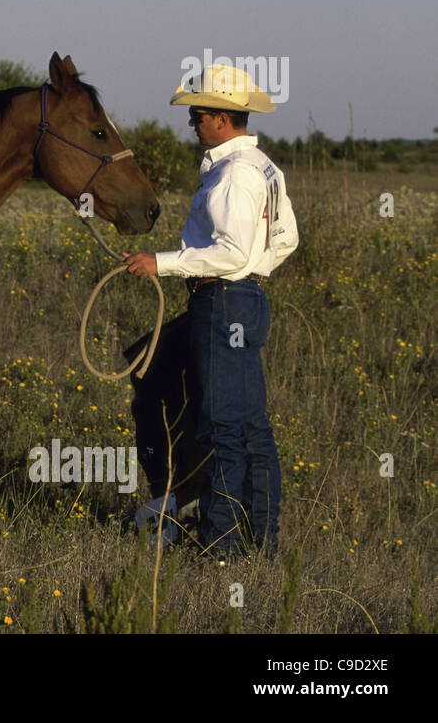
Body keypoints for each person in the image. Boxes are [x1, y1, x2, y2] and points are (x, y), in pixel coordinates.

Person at [123, 63, 298, 562]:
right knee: (250, 428)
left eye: (198, 115)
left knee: (220, 426)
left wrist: (163, 263)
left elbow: (230, 251)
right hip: (242, 298)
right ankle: (261, 539)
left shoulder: (233, 175)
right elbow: (286, 238)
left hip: (221, 302)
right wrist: (255, 269)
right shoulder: (264, 168)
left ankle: (221, 542)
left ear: (222, 118)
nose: (193, 124)